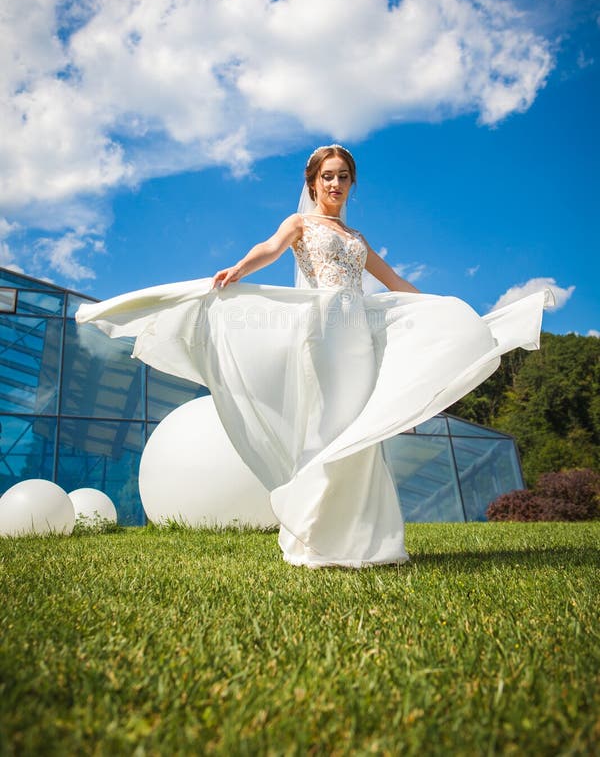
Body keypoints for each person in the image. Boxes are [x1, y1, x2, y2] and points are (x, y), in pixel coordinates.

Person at [76, 144, 551, 568]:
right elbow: (270, 248)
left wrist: (440, 309)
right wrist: (240, 267)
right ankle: (313, 537)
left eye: (343, 176)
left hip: (358, 338)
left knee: (360, 434)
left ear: (351, 183)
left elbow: (394, 283)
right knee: (327, 427)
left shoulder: (358, 239)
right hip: (324, 335)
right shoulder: (300, 223)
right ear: (313, 183)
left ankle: (369, 543)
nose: (335, 184)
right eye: (328, 176)